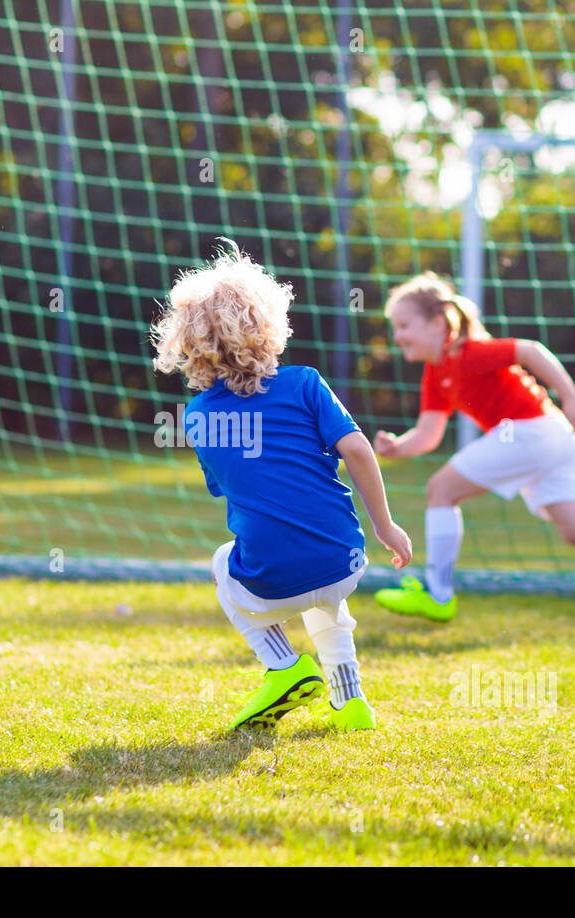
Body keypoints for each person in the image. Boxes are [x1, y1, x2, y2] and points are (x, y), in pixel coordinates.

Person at [151, 242, 412, 732]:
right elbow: (356, 449)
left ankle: (283, 667)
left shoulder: (199, 416)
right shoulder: (306, 383)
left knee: (221, 561)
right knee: (324, 597)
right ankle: (351, 702)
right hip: (345, 560)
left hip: (270, 577)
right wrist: (386, 525)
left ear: (188, 341)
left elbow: (225, 484)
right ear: (269, 324)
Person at [372, 271, 575, 636]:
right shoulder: (436, 373)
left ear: (435, 322)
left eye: (403, 325)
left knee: (440, 490)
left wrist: (572, 397)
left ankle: (438, 595)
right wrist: (398, 446)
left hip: (530, 432)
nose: (397, 336)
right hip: (550, 436)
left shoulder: (469, 352)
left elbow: (530, 350)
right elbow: (429, 434)